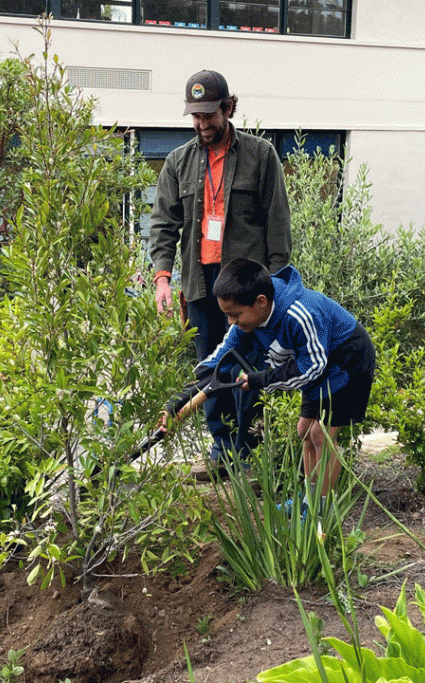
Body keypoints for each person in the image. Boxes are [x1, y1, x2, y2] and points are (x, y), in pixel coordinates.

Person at [149, 70, 292, 474]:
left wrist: (277, 283)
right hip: (200, 284)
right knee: (209, 366)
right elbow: (163, 225)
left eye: (209, 115)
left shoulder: (261, 155)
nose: (202, 124)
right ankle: (223, 453)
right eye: (195, 116)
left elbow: (278, 223)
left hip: (246, 286)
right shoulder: (178, 162)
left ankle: (250, 452)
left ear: (228, 108)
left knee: (248, 366)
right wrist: (162, 277)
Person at [168, 258, 376, 511]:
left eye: (235, 315)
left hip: (348, 360)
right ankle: (308, 502)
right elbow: (216, 361)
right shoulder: (247, 320)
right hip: (317, 362)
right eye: (227, 315)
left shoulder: (300, 314)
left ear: (260, 302)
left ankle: (321, 511)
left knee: (321, 435)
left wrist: (260, 380)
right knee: (304, 431)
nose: (231, 322)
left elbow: (312, 367)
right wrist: (176, 403)